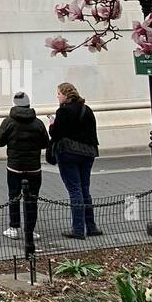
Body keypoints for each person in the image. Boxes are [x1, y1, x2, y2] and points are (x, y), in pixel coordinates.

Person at [0, 91, 49, 241]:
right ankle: (30, 230)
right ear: (29, 104)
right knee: (32, 198)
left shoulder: (8, 122)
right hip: (33, 168)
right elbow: (45, 143)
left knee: (14, 196)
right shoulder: (38, 123)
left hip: (14, 166)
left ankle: (14, 227)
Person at [49, 82, 101, 239]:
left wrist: (52, 124)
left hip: (69, 153)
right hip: (88, 153)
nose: (57, 96)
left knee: (74, 190)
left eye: (58, 93)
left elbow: (56, 133)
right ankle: (91, 226)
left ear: (65, 94)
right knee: (85, 188)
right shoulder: (87, 109)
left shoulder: (63, 111)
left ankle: (78, 229)